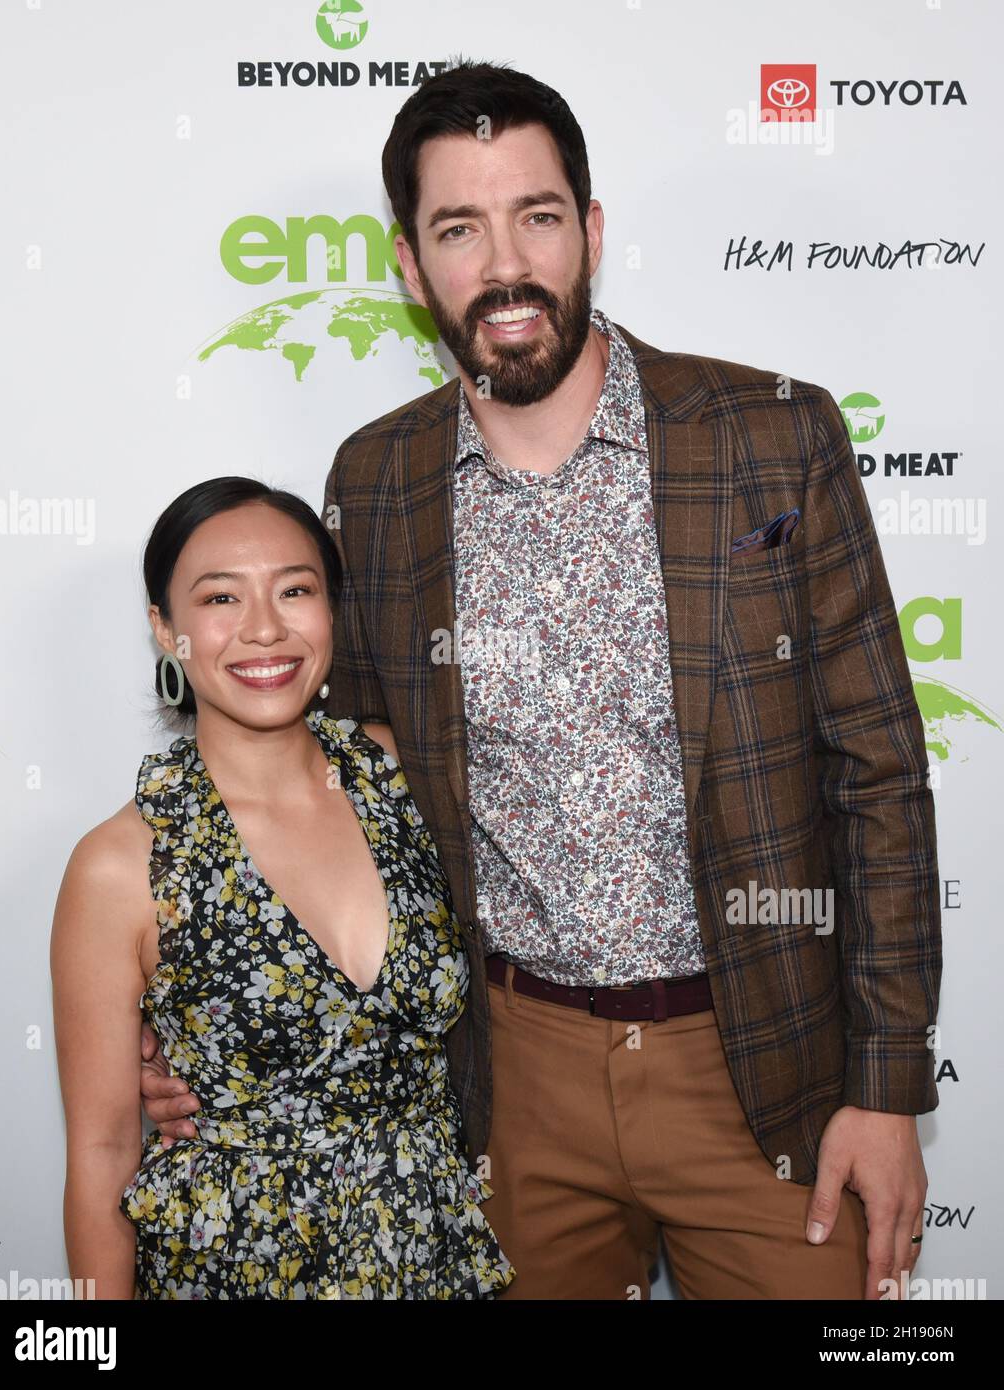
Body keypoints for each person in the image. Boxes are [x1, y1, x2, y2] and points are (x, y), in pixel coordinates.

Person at [141, 61, 942, 1301]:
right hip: (508, 1083)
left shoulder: (769, 437)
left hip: (766, 1068)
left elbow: (880, 772)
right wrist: (197, 1015)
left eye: (537, 215)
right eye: (460, 228)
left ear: (592, 231)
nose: (503, 263)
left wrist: (888, 1090)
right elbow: (329, 785)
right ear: (411, 265)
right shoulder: (379, 479)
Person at [50, 476, 515, 1299]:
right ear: (166, 629)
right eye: (220, 598)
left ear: (332, 609)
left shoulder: (407, 779)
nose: (264, 629)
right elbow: (100, 1157)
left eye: (294, 590)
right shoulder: (122, 864)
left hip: (433, 1261)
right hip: (234, 1274)